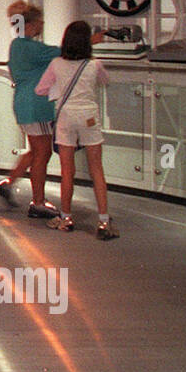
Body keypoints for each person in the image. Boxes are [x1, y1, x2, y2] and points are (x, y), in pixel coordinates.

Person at [36, 20, 119, 240]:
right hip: (89, 116)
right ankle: (103, 220)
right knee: (97, 169)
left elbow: (41, 89)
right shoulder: (94, 64)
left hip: (65, 117)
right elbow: (105, 81)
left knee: (67, 170)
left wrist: (59, 89)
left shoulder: (56, 64)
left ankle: (66, 217)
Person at [0, 2, 61, 218]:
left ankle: (9, 182)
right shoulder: (33, 48)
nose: (42, 25)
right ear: (31, 24)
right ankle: (38, 202)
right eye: (40, 22)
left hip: (24, 104)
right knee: (43, 152)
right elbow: (67, 51)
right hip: (36, 105)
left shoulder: (17, 46)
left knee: (35, 150)